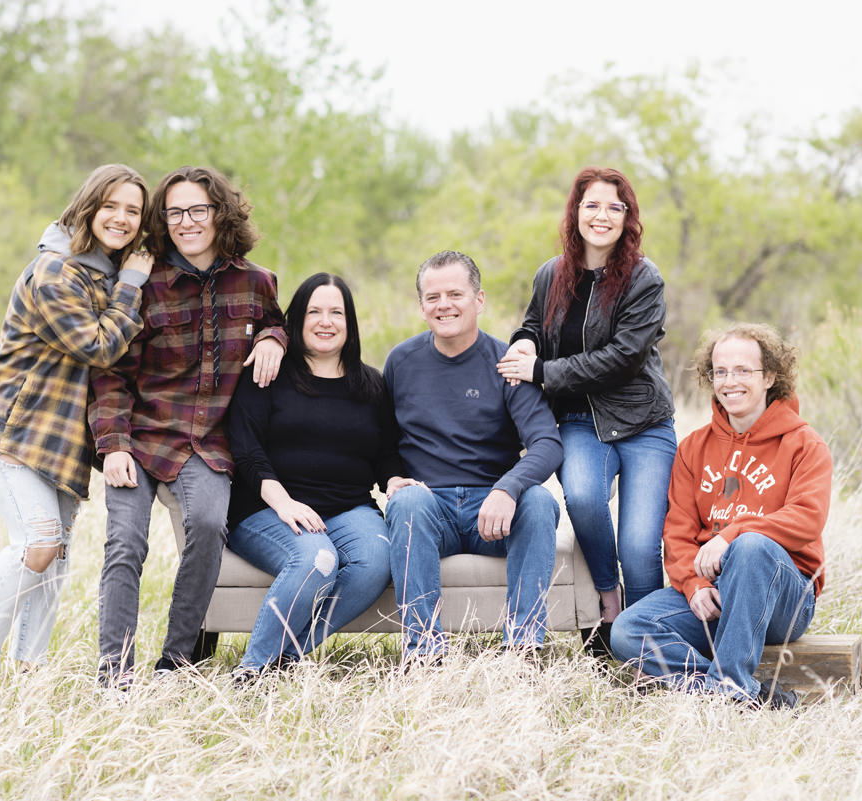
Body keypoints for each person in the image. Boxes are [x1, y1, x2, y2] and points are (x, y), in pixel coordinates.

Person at [90, 166, 287, 688]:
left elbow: (277, 318)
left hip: (209, 444)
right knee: (125, 544)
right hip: (139, 436)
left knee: (206, 526)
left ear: (220, 213)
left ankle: (176, 662)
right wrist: (112, 445)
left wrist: (273, 337)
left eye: (197, 210)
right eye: (174, 212)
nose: (186, 222)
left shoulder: (256, 281)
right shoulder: (143, 285)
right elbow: (110, 372)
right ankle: (115, 675)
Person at [0, 164, 153, 672]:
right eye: (111, 206)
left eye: (133, 210)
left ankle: (30, 672)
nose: (122, 218)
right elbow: (100, 346)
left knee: (57, 558)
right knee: (40, 541)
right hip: (18, 429)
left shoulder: (101, 274)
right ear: (88, 206)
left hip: (64, 439)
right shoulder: (55, 272)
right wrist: (133, 283)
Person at [497, 166, 676, 655]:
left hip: (643, 423)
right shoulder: (551, 274)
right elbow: (532, 326)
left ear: (627, 218)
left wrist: (541, 373)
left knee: (640, 545)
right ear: (576, 212)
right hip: (579, 421)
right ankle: (607, 596)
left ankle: (645, 646)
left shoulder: (644, 277)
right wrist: (522, 349)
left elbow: (622, 358)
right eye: (592, 205)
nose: (602, 216)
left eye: (614, 207)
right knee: (582, 497)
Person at [610, 322, 831, 709]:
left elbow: (807, 519)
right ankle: (741, 693)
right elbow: (677, 533)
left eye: (744, 370)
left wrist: (731, 534)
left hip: (785, 597)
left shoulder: (804, 444)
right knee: (628, 631)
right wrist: (694, 585)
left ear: (770, 377)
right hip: (714, 592)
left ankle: (730, 684)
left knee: (751, 547)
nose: (731, 381)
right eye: (721, 371)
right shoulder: (694, 448)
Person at [383, 250, 563, 661]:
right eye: (433, 297)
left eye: (455, 294)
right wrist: (392, 476)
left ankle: (523, 649)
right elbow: (382, 439)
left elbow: (548, 443)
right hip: (431, 507)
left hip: (493, 508)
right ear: (421, 306)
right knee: (406, 501)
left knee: (538, 501)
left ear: (479, 300)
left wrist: (509, 488)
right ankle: (424, 650)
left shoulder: (507, 364)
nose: (443, 305)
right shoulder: (401, 362)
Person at [226, 273, 398, 682]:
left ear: (349, 321)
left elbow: (387, 454)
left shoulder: (371, 385)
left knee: (378, 559)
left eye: (336, 312)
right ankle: (253, 672)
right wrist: (284, 503)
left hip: (347, 507)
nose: (326, 321)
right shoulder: (270, 373)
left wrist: (394, 481)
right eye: (314, 311)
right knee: (317, 558)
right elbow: (245, 449)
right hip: (266, 508)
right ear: (297, 320)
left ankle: (286, 656)